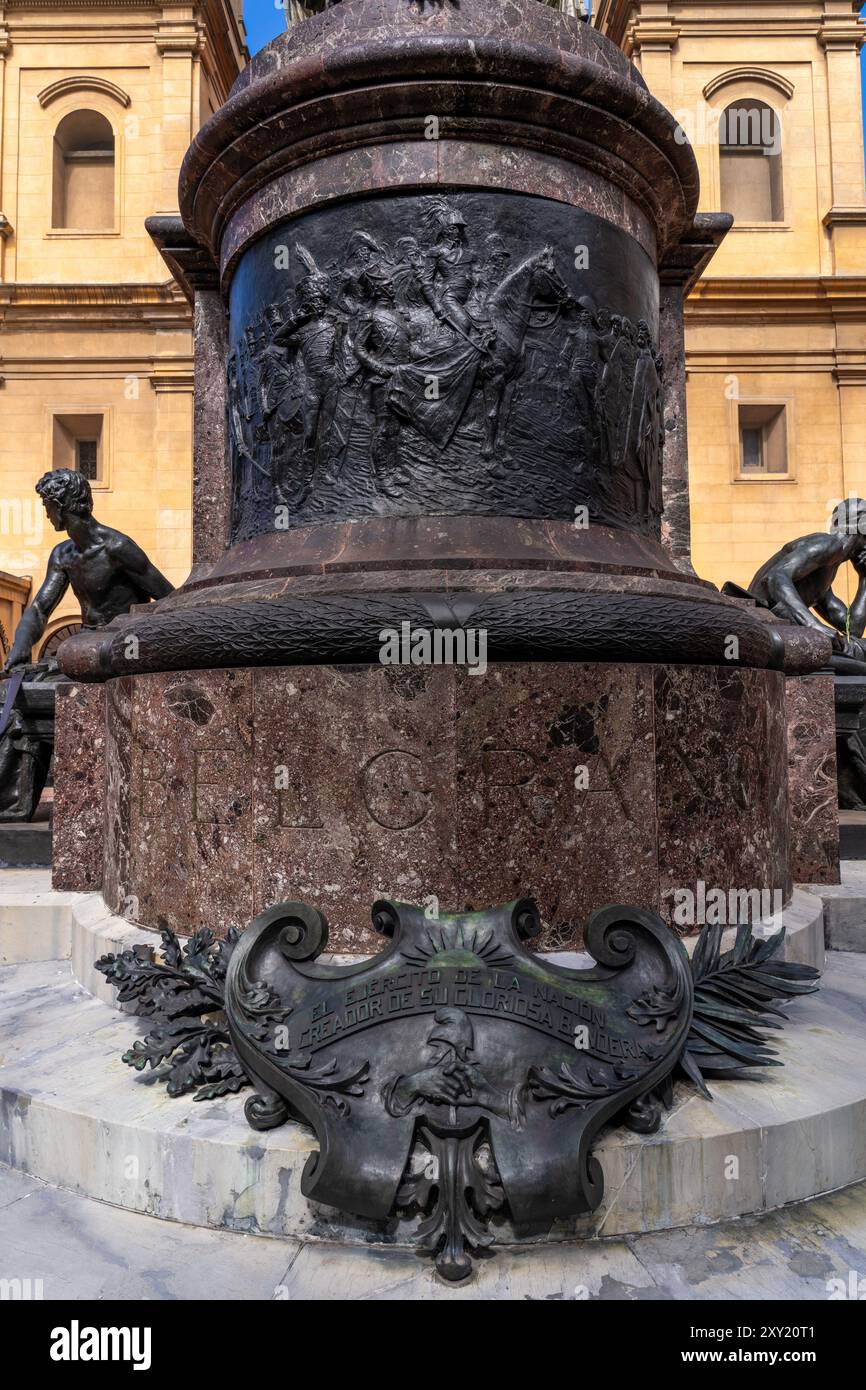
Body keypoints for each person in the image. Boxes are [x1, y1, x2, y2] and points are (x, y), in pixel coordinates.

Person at [3, 469, 173, 672]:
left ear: (58, 506)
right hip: (86, 641)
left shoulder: (117, 547)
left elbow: (169, 598)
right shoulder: (62, 554)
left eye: (45, 505)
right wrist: (20, 647)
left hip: (122, 642)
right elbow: (40, 608)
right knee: (23, 684)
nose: (46, 513)